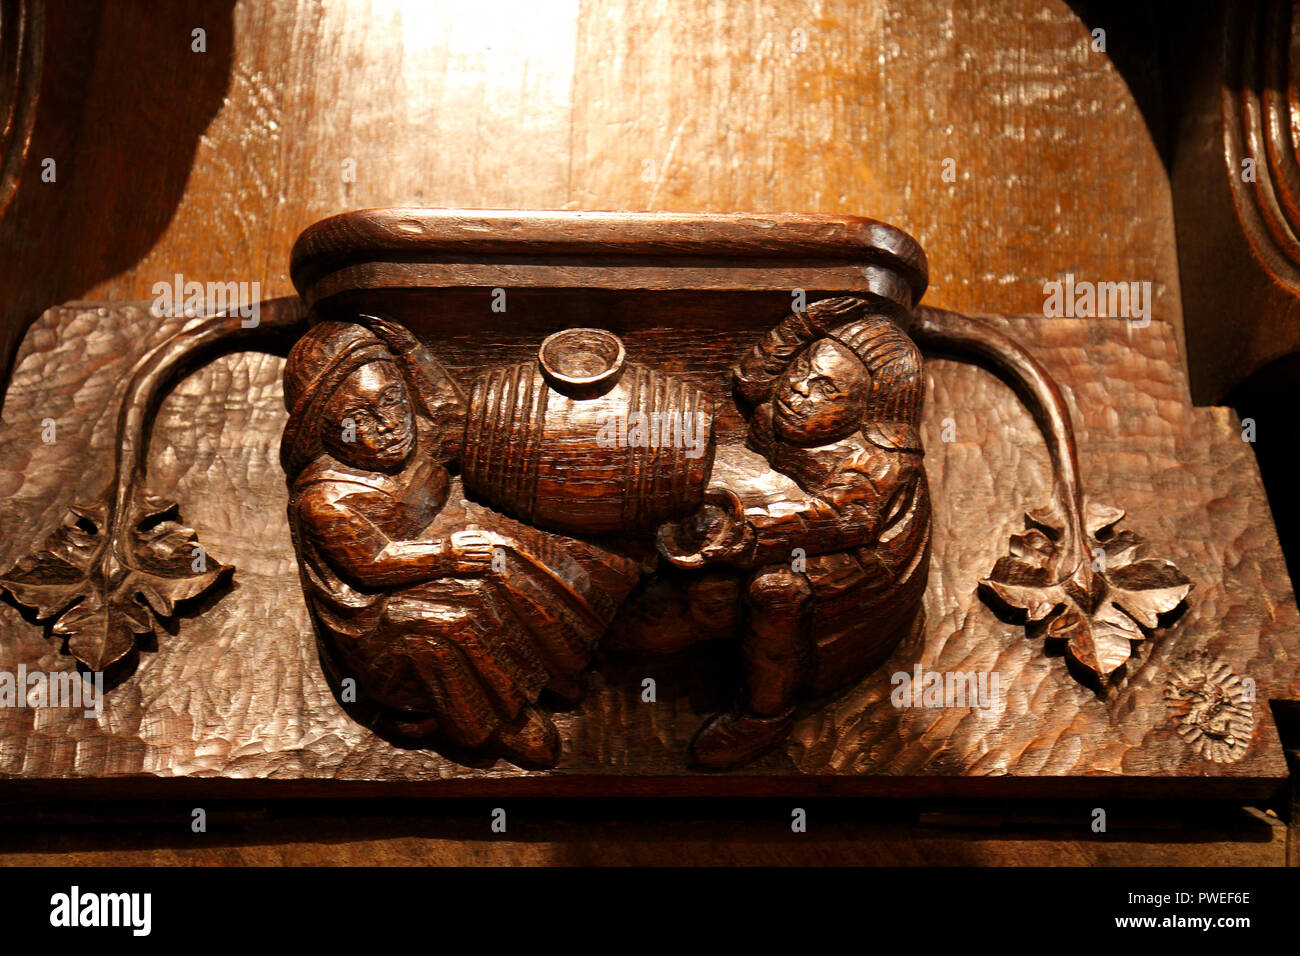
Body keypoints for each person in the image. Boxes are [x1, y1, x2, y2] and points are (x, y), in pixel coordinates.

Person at [280, 315, 642, 768]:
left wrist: (414, 354)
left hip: (448, 549)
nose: (386, 425)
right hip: (380, 616)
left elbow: (451, 416)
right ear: (321, 428)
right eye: (358, 418)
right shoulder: (328, 498)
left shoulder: (419, 443)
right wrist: (446, 555)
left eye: (392, 401)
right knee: (452, 620)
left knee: (541, 548)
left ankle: (572, 660)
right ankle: (503, 719)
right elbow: (374, 562)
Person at [656, 296, 932, 768]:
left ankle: (766, 717)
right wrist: (800, 326)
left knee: (775, 594)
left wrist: (743, 533)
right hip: (800, 528)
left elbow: (840, 518)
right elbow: (750, 379)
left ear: (867, 411)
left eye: (824, 388)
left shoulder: (878, 461)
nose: (798, 390)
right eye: (801, 369)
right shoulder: (783, 417)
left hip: (871, 571)